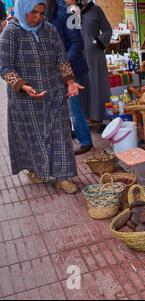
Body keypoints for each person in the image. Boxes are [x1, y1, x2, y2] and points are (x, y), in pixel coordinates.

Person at [0, 0, 84, 193]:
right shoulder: (11, 33)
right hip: (25, 98)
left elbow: (62, 60)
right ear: (23, 10)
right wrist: (23, 86)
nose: (38, 18)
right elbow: (4, 67)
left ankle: (63, 178)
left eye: (41, 13)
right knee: (32, 137)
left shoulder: (50, 30)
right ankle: (35, 170)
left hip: (54, 92)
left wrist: (70, 81)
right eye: (33, 13)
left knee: (60, 135)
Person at [49, 0, 93, 155]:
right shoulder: (40, 15)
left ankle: (85, 141)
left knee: (73, 107)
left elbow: (77, 43)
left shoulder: (70, 12)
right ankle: (69, 135)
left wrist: (63, 66)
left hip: (72, 68)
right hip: (53, 70)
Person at [74, 0, 112, 123]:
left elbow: (107, 30)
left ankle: (104, 119)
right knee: (80, 87)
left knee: (98, 86)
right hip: (77, 57)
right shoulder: (69, 12)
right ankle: (82, 121)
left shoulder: (95, 10)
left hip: (95, 57)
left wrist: (97, 41)